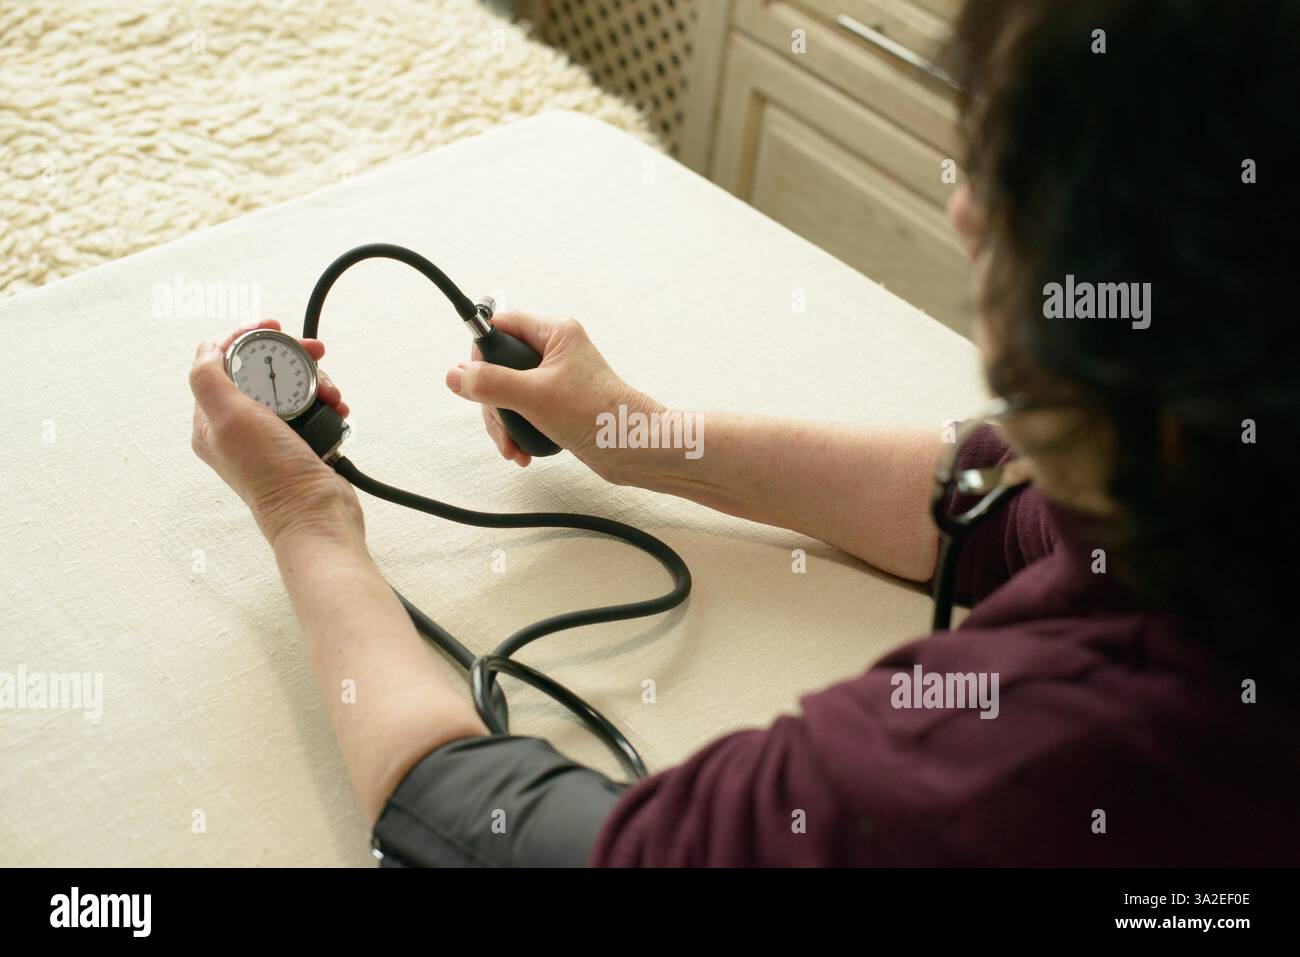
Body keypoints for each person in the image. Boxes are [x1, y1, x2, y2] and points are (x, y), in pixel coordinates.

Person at [188, 0, 1298, 866]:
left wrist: (306, 523)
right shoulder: (1214, 472)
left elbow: (492, 836)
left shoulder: (980, 776)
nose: (965, 210)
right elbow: (995, 509)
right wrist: (643, 435)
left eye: (1011, 171)